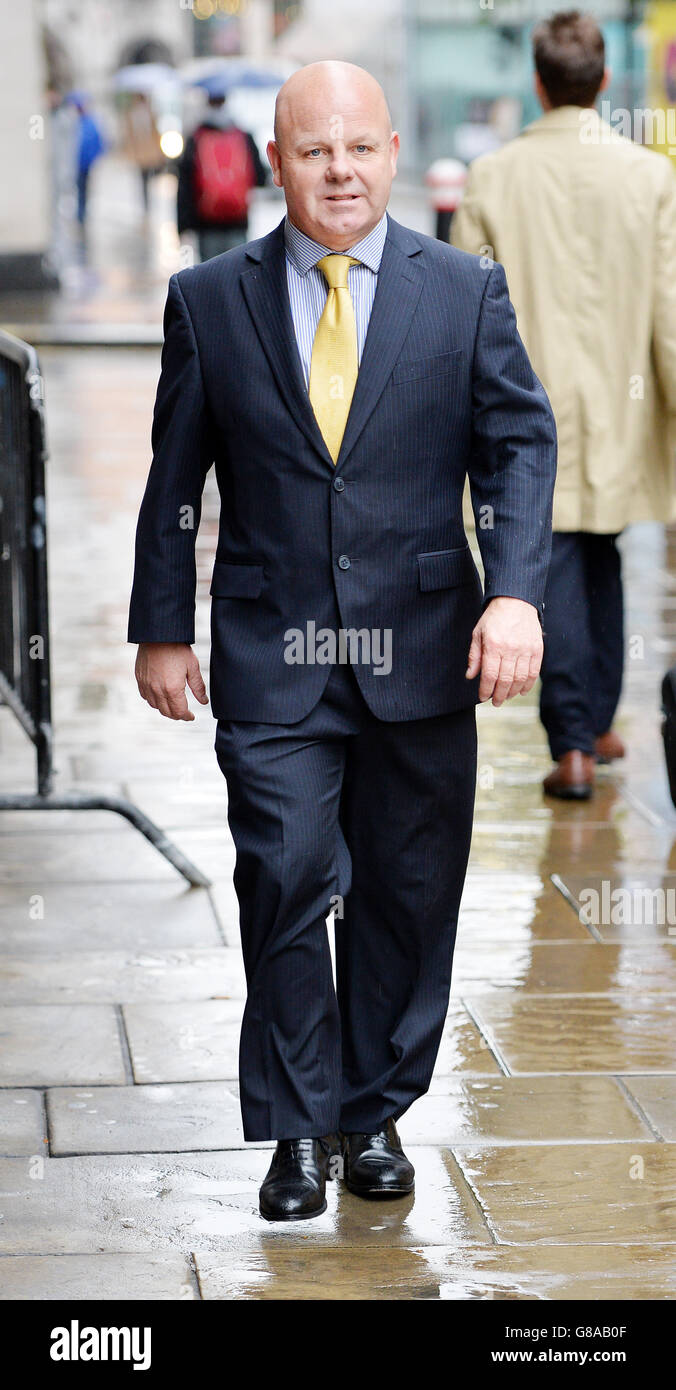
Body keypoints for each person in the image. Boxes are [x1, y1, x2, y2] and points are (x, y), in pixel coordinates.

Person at [128, 61, 556, 1221]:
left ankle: (373, 1112)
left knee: (408, 894)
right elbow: (175, 482)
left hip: (422, 647)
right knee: (280, 873)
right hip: (273, 650)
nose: (340, 170)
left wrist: (512, 593)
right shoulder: (210, 299)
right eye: (315, 150)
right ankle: (297, 1128)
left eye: (360, 147)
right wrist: (162, 625)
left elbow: (519, 446)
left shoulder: (462, 290)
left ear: (391, 153)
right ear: (276, 161)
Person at [452, 9, 676, 800]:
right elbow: (669, 307)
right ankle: (590, 728)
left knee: (557, 561)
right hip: (623, 405)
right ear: (605, 81)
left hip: (523, 410)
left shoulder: (493, 175)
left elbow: (463, 305)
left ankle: (576, 736)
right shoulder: (649, 175)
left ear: (538, 81)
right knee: (602, 554)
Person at [177, 93, 267, 262]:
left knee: (210, 276)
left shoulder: (196, 137)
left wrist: (182, 227)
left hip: (206, 224)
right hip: (238, 221)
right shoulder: (243, 135)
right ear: (226, 101)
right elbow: (260, 177)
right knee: (238, 272)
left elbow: (185, 187)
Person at [122, 92, 164, 214]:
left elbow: (155, 133)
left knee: (148, 179)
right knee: (144, 180)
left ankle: (148, 203)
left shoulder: (149, 113)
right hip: (142, 153)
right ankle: (147, 204)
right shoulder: (133, 115)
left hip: (148, 153)